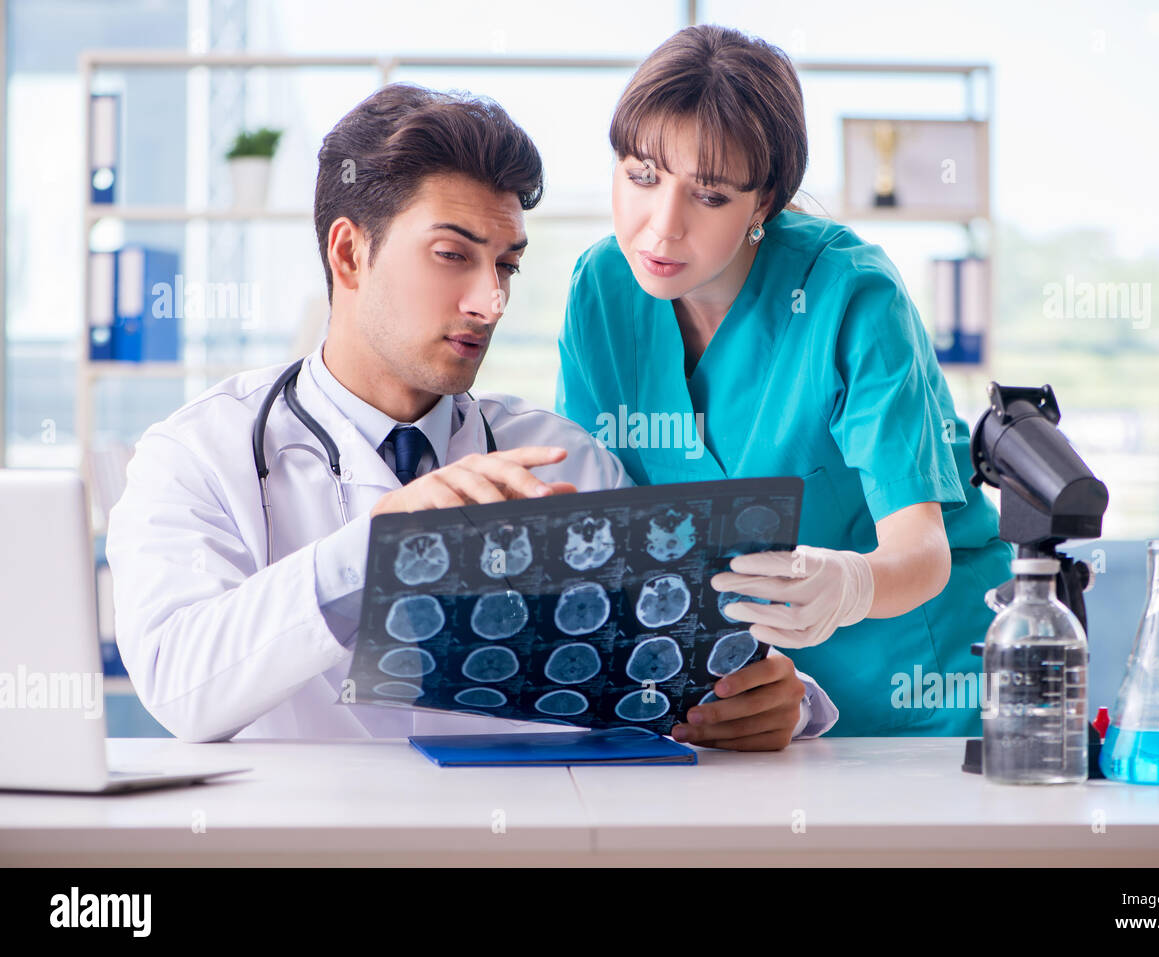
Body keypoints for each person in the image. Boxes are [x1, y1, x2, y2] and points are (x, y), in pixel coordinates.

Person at [106, 83, 835, 746]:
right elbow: (181, 686)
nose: (490, 301)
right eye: (453, 254)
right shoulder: (199, 453)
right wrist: (378, 547)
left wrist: (782, 702)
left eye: (507, 265)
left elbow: (682, 665)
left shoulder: (560, 458)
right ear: (350, 253)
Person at [556, 26, 1014, 738]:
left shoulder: (850, 296)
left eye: (708, 196)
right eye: (642, 177)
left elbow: (921, 551)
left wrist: (852, 584)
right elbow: (595, 517)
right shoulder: (602, 290)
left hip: (913, 674)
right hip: (742, 684)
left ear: (763, 201)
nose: (661, 229)